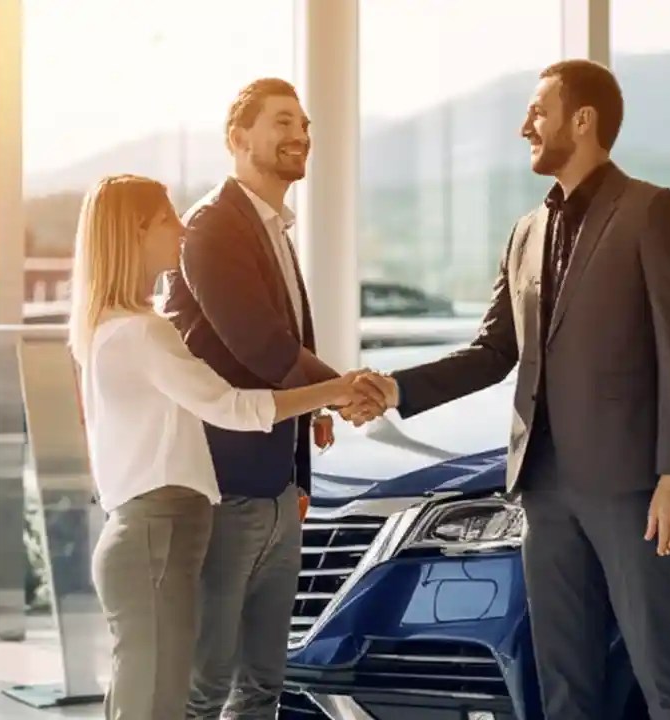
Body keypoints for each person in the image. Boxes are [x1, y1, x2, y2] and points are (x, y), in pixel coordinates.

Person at [363, 59, 670, 719]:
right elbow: (493, 352)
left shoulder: (651, 211)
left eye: (538, 112)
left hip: (628, 487)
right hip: (542, 487)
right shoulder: (526, 230)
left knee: (660, 663)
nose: (526, 126)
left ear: (583, 121)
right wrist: (394, 389)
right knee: (563, 676)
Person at [68, 174, 372, 719]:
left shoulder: (110, 328)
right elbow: (233, 408)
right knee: (158, 707)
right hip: (156, 534)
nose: (181, 229)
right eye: (167, 219)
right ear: (136, 231)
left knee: (150, 704)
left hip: (151, 534)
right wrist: (334, 390)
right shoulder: (142, 333)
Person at [161, 78, 386, 717]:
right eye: (283, 122)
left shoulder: (273, 228)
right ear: (238, 139)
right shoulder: (212, 227)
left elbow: (283, 347)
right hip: (224, 487)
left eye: (304, 125)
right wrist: (341, 391)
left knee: (263, 684)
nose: (300, 136)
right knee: (204, 686)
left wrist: (303, 459)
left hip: (277, 491)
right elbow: (263, 347)